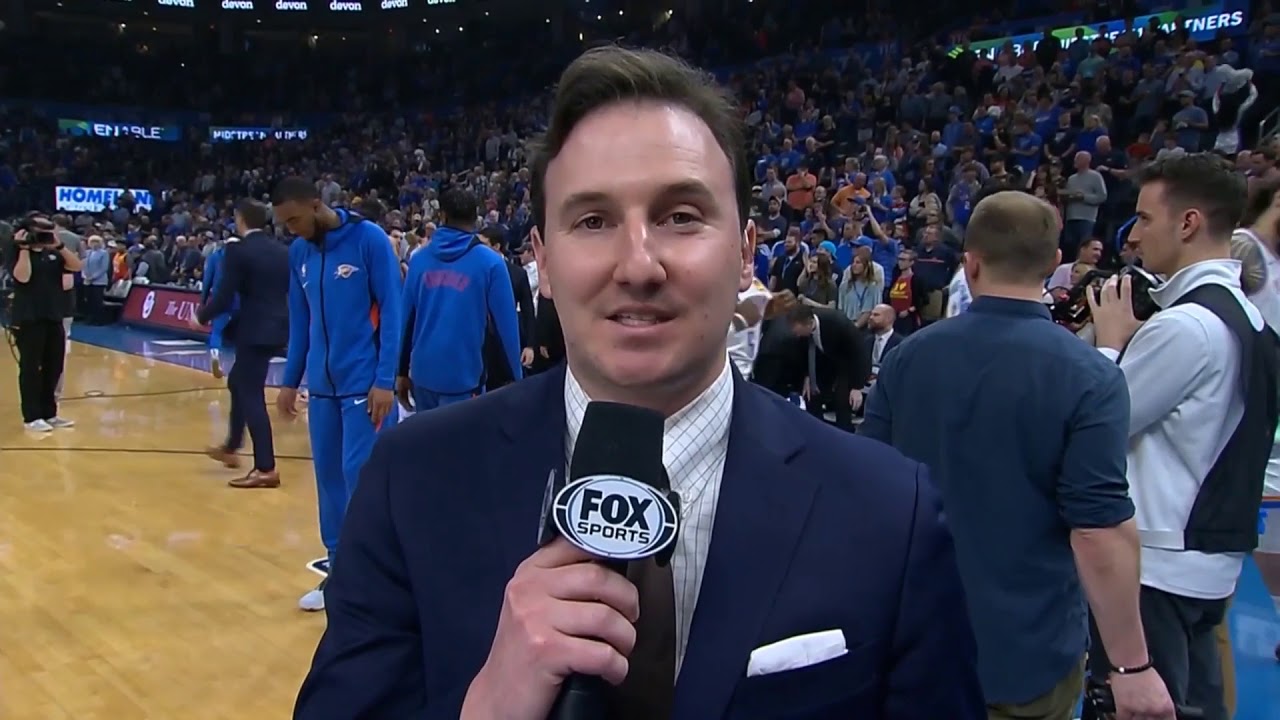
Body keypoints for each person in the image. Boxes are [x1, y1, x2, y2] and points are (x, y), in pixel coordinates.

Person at [295, 45, 983, 720]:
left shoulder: (893, 512)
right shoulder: (412, 481)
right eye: (592, 221)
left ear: (746, 253)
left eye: (680, 216)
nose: (638, 265)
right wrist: (489, 706)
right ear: (543, 260)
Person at [863, 191, 1175, 720]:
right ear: (1054, 263)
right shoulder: (1092, 376)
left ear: (972, 262)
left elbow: (868, 490)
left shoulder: (907, 357)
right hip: (1026, 654)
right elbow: (1098, 530)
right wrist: (1131, 667)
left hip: (915, 643)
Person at [1086, 153, 1278, 720]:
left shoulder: (1186, 326)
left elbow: (1101, 426)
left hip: (1158, 564)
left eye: (1144, 219)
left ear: (1188, 223)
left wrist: (1110, 344)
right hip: (1206, 560)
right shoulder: (1249, 316)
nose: (1135, 236)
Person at [272, 176, 404, 612]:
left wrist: (385, 380)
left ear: (315, 205)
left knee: (361, 481)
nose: (291, 228)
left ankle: (376, 578)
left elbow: (393, 309)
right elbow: (300, 321)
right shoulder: (299, 254)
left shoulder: (369, 240)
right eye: (283, 223)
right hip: (322, 389)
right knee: (329, 482)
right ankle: (337, 573)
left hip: (365, 387)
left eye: (294, 219)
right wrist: (291, 379)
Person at [396, 188, 522, 411]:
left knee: (428, 445)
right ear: (475, 218)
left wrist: (400, 372)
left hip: (423, 377)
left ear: (442, 216)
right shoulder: (491, 262)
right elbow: (507, 329)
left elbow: (406, 321)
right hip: (465, 380)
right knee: (463, 446)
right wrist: (517, 380)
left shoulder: (419, 259)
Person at [193, 199, 290, 489]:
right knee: (238, 382)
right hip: (279, 327)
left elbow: (224, 295)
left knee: (250, 393)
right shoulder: (282, 250)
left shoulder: (238, 250)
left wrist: (201, 316)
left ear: (240, 219)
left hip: (254, 329)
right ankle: (232, 446)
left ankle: (266, 467)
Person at [6, 214, 82, 432]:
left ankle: (50, 413)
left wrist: (59, 245)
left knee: (54, 366)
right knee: (31, 367)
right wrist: (23, 248)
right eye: (39, 229)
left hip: (53, 315)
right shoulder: (17, 251)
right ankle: (31, 416)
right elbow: (23, 277)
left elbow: (76, 267)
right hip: (29, 317)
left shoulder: (54, 253)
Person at [784, 304, 870, 430]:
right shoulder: (802, 334)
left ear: (809, 323)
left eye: (798, 331)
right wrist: (807, 376)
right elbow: (802, 353)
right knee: (811, 396)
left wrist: (857, 387)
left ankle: (845, 436)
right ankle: (816, 433)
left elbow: (860, 353)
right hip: (823, 364)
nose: (796, 335)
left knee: (843, 401)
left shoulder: (838, 322)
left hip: (847, 365)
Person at [474, 225, 536, 393]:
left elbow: (528, 311)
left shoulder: (517, 274)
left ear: (496, 246)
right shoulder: (473, 271)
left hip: (507, 345)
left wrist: (530, 345)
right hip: (478, 347)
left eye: (483, 244)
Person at [200, 237, 236, 379]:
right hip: (239, 300)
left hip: (220, 298)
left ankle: (215, 355)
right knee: (241, 333)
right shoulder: (244, 257)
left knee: (217, 331)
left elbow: (207, 279)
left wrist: (203, 300)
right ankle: (237, 365)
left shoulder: (215, 257)